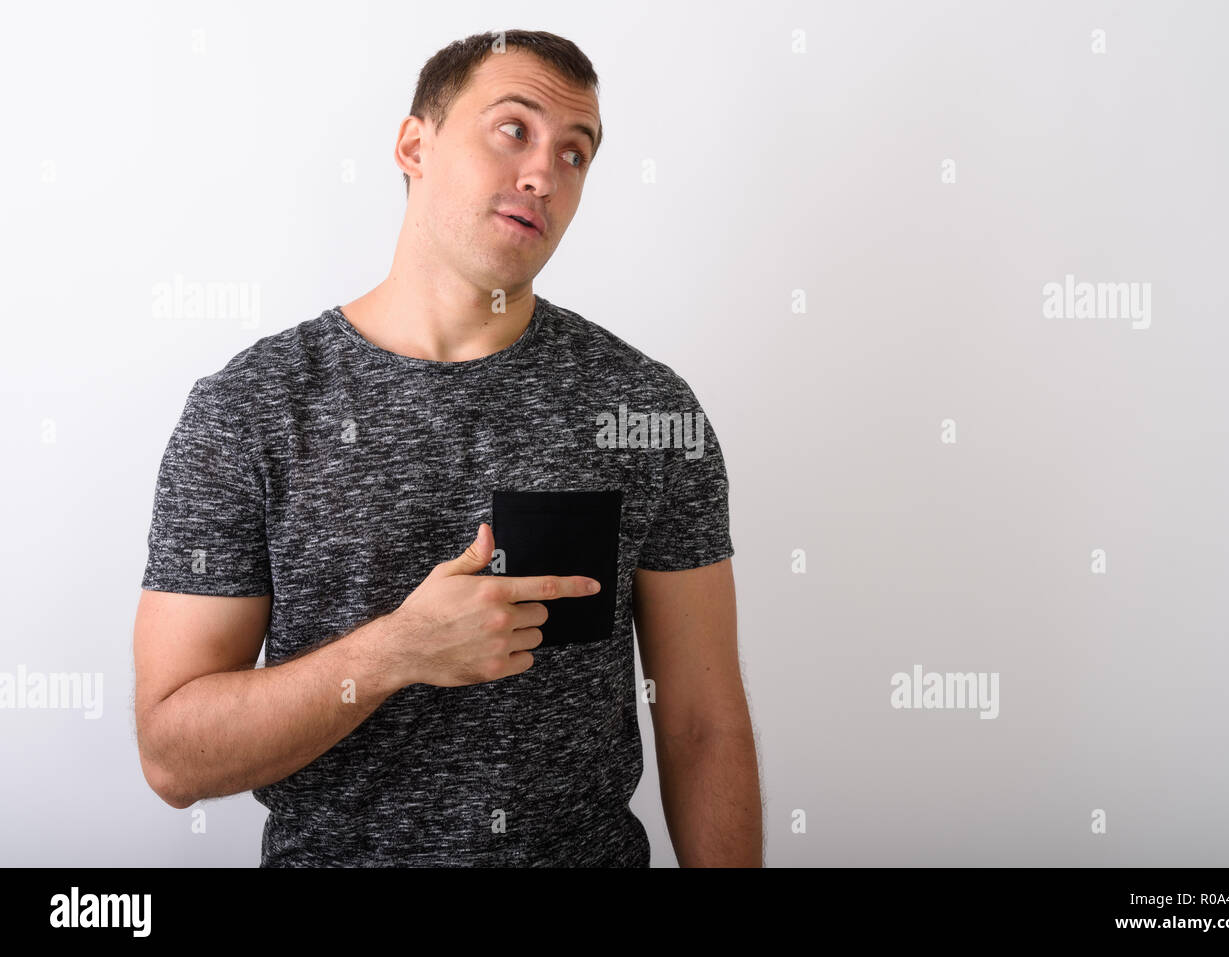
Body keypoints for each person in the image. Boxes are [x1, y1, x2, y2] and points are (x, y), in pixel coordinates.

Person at [132, 28, 760, 867]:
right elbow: (172, 755)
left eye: (577, 154)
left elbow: (703, 721)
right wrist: (395, 651)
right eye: (514, 129)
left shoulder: (647, 411)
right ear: (414, 145)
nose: (546, 172)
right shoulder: (250, 411)